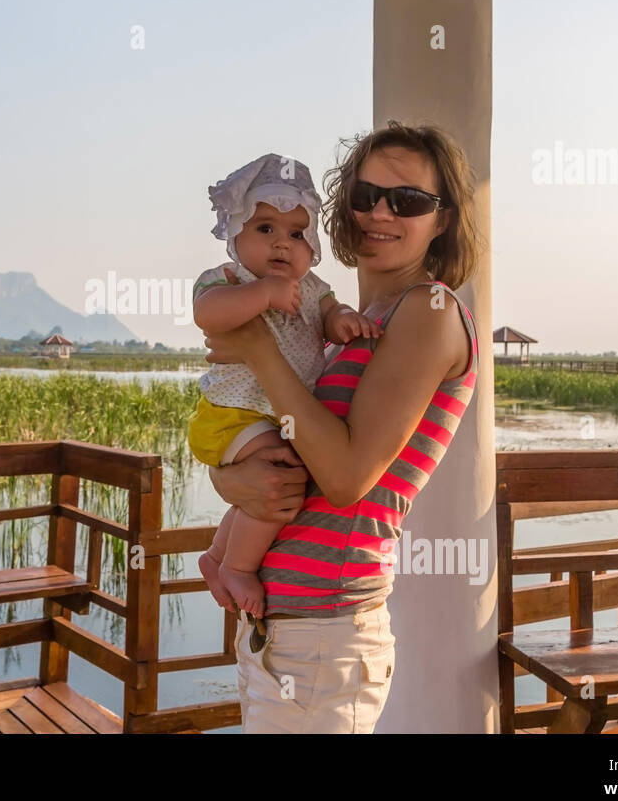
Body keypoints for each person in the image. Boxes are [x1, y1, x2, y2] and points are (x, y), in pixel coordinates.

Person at [202, 121, 483, 733]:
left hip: (324, 633)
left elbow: (348, 477)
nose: (379, 211)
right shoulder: (348, 325)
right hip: (283, 625)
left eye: (406, 200)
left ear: (442, 219)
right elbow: (288, 437)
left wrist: (256, 346)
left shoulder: (431, 310)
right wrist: (233, 481)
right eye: (365, 195)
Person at [187, 153, 378, 618]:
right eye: (265, 229)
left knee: (267, 483)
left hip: (268, 416)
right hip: (233, 414)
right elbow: (207, 314)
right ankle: (238, 567)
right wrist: (263, 295)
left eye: (296, 234)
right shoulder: (229, 280)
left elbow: (329, 316)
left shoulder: (313, 289)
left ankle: (217, 556)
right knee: (282, 474)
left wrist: (344, 320)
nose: (281, 245)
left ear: (312, 246)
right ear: (236, 235)